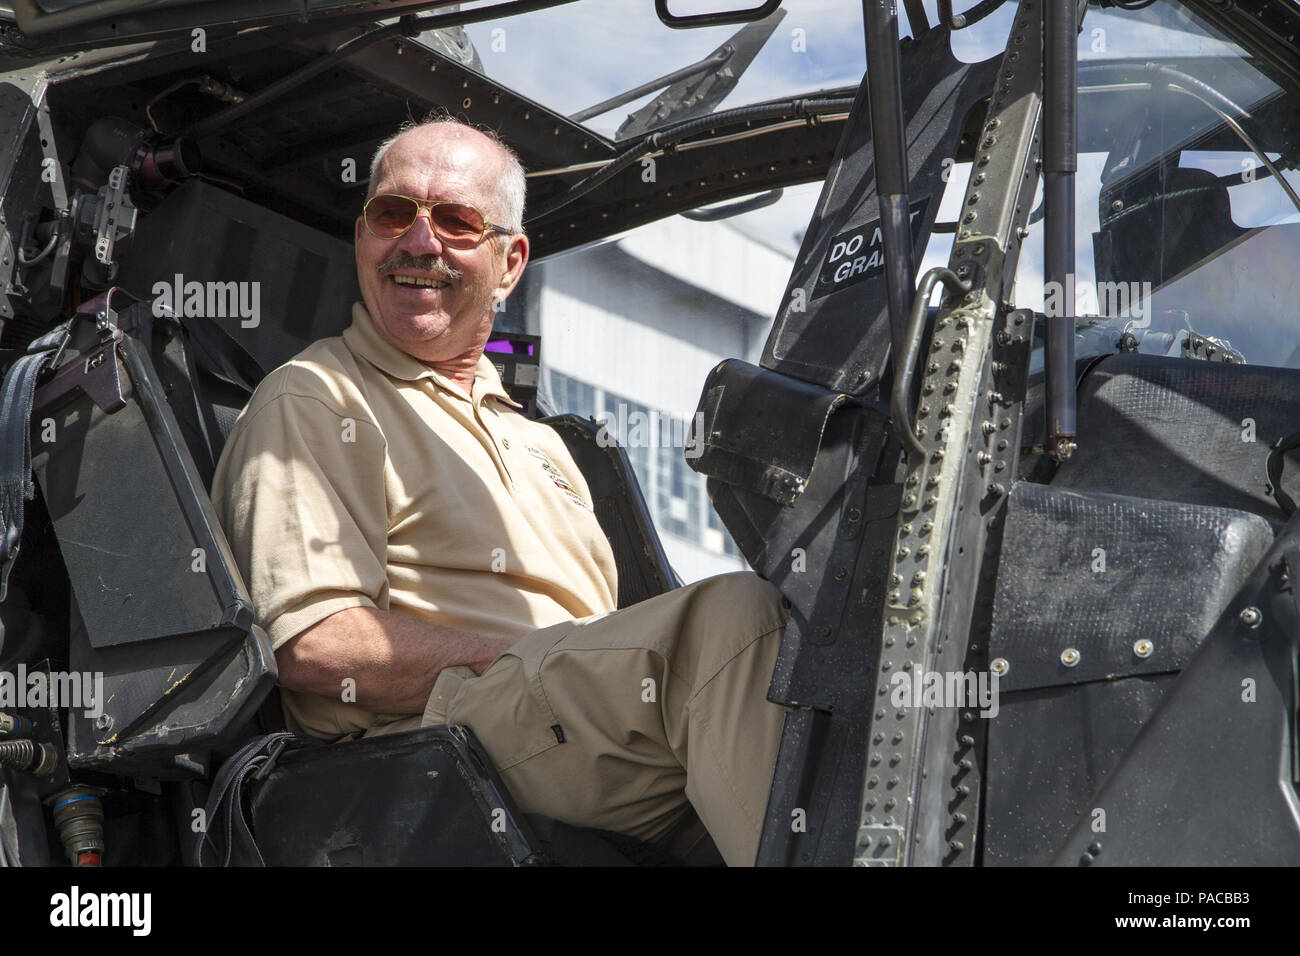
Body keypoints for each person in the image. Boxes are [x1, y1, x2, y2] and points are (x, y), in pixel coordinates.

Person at [210, 113, 790, 865]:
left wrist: (589, 661)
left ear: (510, 262)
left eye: (454, 221)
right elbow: (317, 646)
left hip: (573, 718)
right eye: (392, 214)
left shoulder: (543, 441)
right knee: (734, 623)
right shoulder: (321, 397)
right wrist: (539, 656)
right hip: (434, 738)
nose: (419, 243)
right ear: (362, 239)